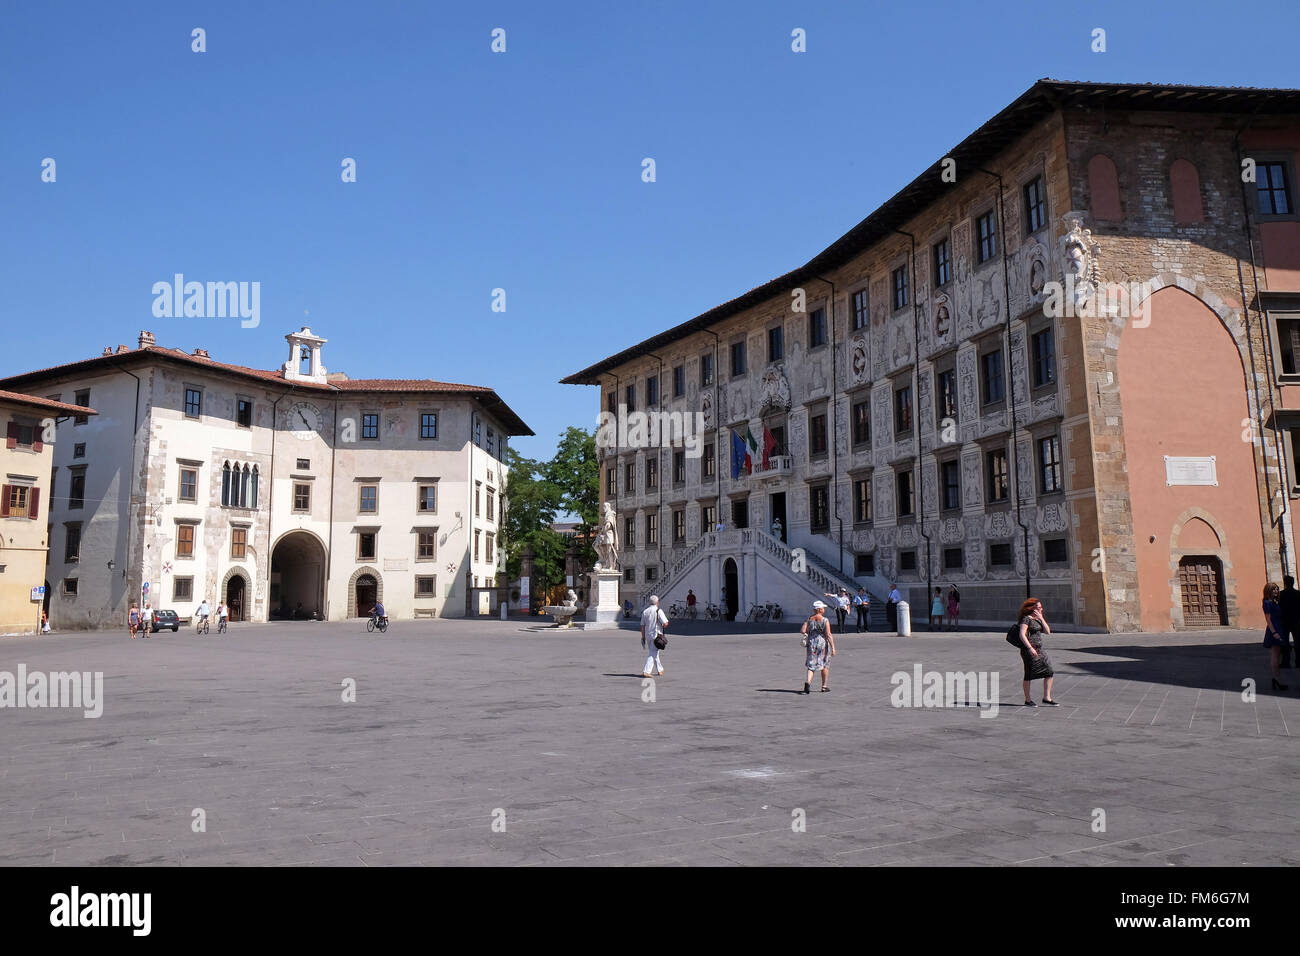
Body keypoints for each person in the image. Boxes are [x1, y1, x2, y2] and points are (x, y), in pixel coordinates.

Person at [1015, 597, 1056, 706]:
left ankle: (1047, 697)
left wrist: (1041, 618)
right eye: (1039, 607)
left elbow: (1047, 632)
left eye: (1041, 607)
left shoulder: (1037, 619)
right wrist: (1030, 648)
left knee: (1049, 671)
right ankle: (1027, 700)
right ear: (1032, 608)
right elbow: (1022, 634)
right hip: (1028, 650)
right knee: (1029, 674)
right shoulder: (1026, 619)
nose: (1041, 609)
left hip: (1040, 649)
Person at [799, 600, 836, 694]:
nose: (824, 609)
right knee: (825, 663)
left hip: (811, 643)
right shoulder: (825, 620)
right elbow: (828, 634)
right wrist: (833, 647)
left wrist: (810, 632)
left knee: (811, 664)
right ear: (819, 609)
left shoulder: (809, 619)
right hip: (822, 644)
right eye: (823, 608)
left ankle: (808, 682)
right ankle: (824, 686)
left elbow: (803, 630)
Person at [1262, 583, 1289, 691]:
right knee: (1275, 655)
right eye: (1274, 590)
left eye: (1277, 589)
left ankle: (1277, 679)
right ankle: (1277, 679)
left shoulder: (1275, 602)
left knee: (1278, 655)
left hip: (1279, 628)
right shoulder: (1267, 603)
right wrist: (1274, 633)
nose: (1276, 591)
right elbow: (1268, 620)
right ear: (1268, 590)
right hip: (1274, 630)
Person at [640, 595, 669, 678]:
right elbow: (665, 623)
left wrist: (643, 637)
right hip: (656, 635)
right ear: (657, 602)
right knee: (653, 653)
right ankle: (646, 671)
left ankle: (660, 669)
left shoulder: (645, 611)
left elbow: (642, 626)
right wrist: (663, 624)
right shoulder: (658, 611)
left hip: (648, 635)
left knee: (654, 652)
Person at [1278, 575, 1300, 669]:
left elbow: (1278, 608)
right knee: (1298, 642)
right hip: (1296, 621)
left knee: (1285, 643)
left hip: (1284, 621)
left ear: (1285, 583)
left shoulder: (1281, 594)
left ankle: (1286, 662)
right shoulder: (1298, 594)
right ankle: (1299, 662)